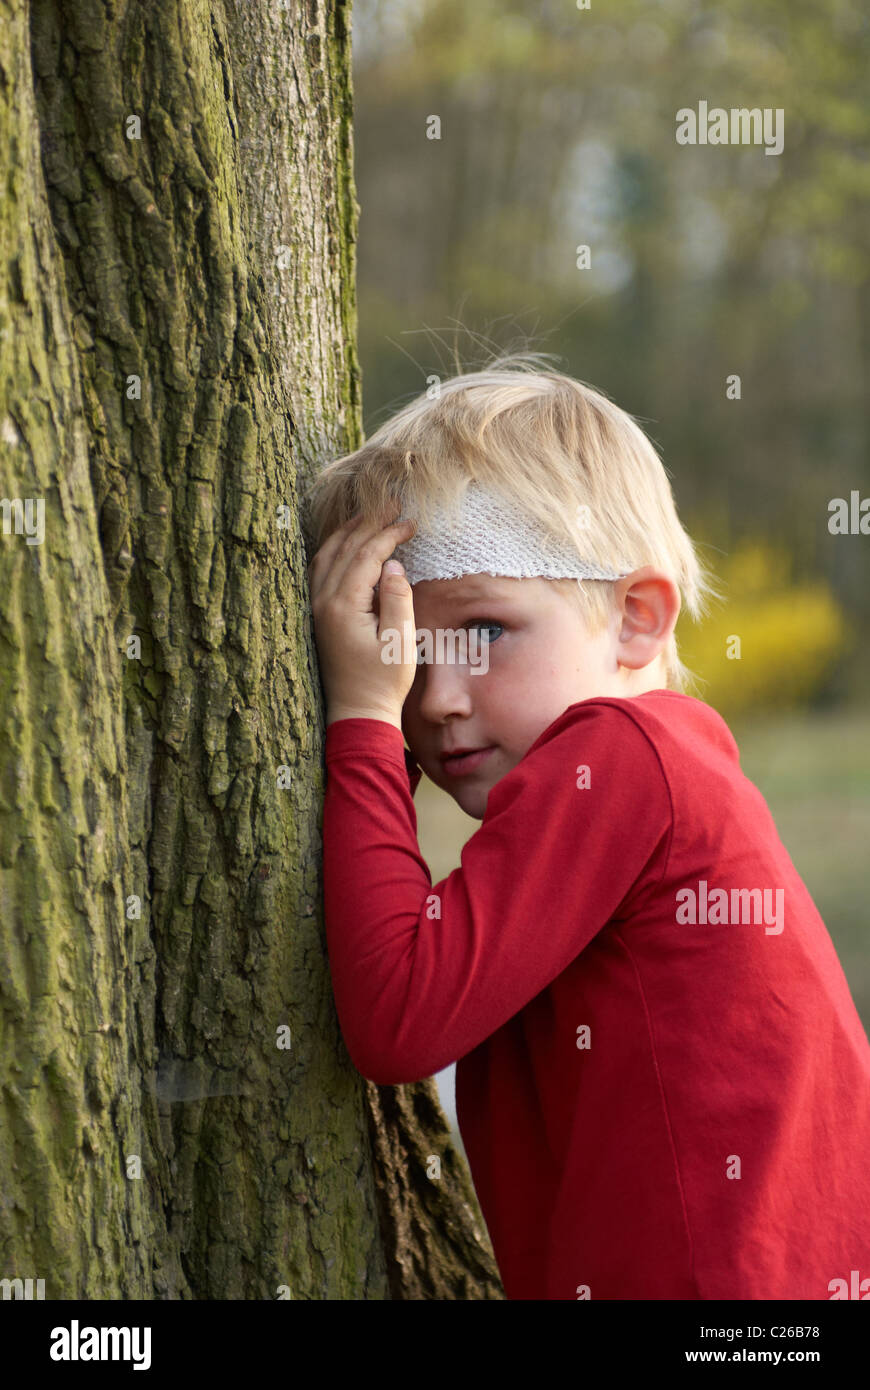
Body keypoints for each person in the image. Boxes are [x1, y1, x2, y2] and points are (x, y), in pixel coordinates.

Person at [303, 354, 870, 1300]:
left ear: (636, 621)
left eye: (483, 631)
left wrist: (361, 725)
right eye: (401, 651)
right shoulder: (659, 769)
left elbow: (397, 1019)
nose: (432, 698)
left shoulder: (618, 757)